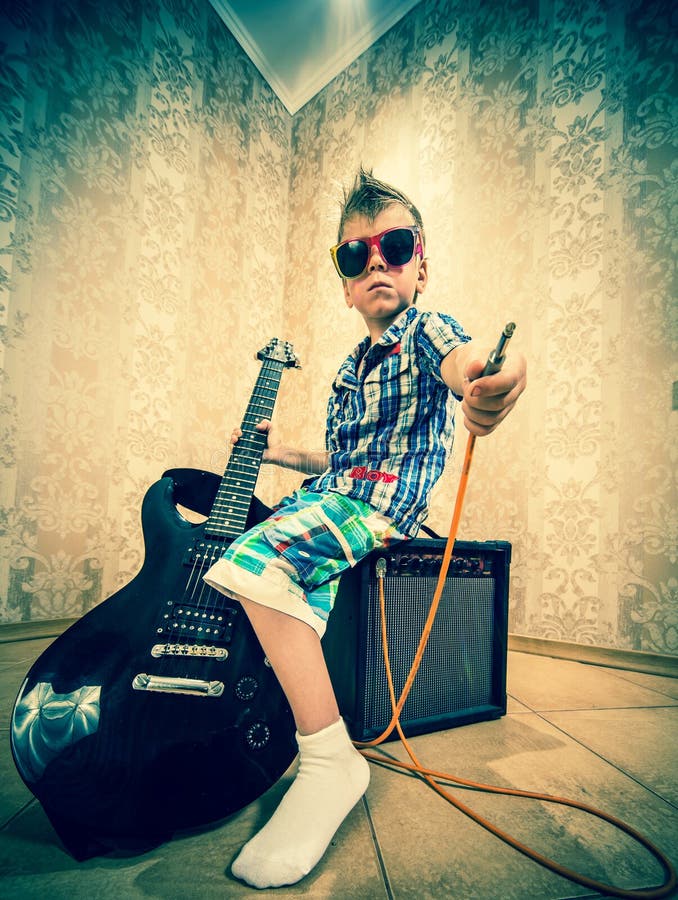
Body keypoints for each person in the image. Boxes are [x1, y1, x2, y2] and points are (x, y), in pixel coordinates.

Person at [204, 168, 527, 889]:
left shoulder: (426, 330)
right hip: (338, 493)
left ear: (421, 267)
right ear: (346, 286)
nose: (377, 262)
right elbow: (343, 460)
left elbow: (472, 362)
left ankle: (329, 762)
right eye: (356, 255)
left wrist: (497, 377)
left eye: (396, 246)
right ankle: (288, 701)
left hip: (381, 511)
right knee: (248, 563)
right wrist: (281, 453)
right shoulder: (348, 371)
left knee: (254, 563)